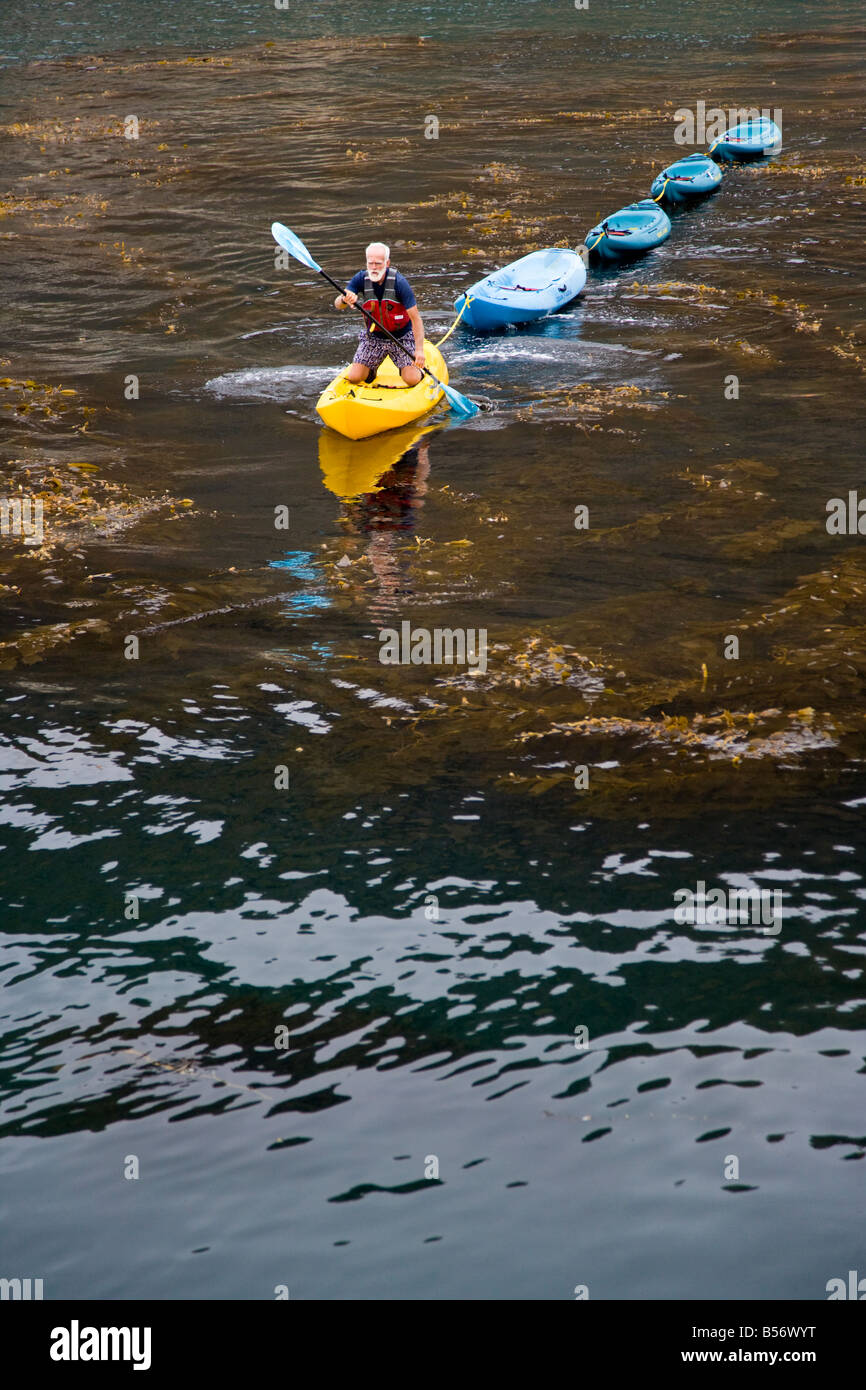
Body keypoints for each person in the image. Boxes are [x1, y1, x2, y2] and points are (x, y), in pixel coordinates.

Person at [334, 242, 426, 386]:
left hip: (401, 337)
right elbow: (337, 304)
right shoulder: (360, 278)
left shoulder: (399, 283)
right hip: (373, 338)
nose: (374, 267)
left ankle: (415, 370)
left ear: (387, 263)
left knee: (412, 379)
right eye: (371, 263)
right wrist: (344, 298)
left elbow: (416, 319)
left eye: (378, 263)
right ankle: (371, 371)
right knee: (354, 377)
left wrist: (419, 350)